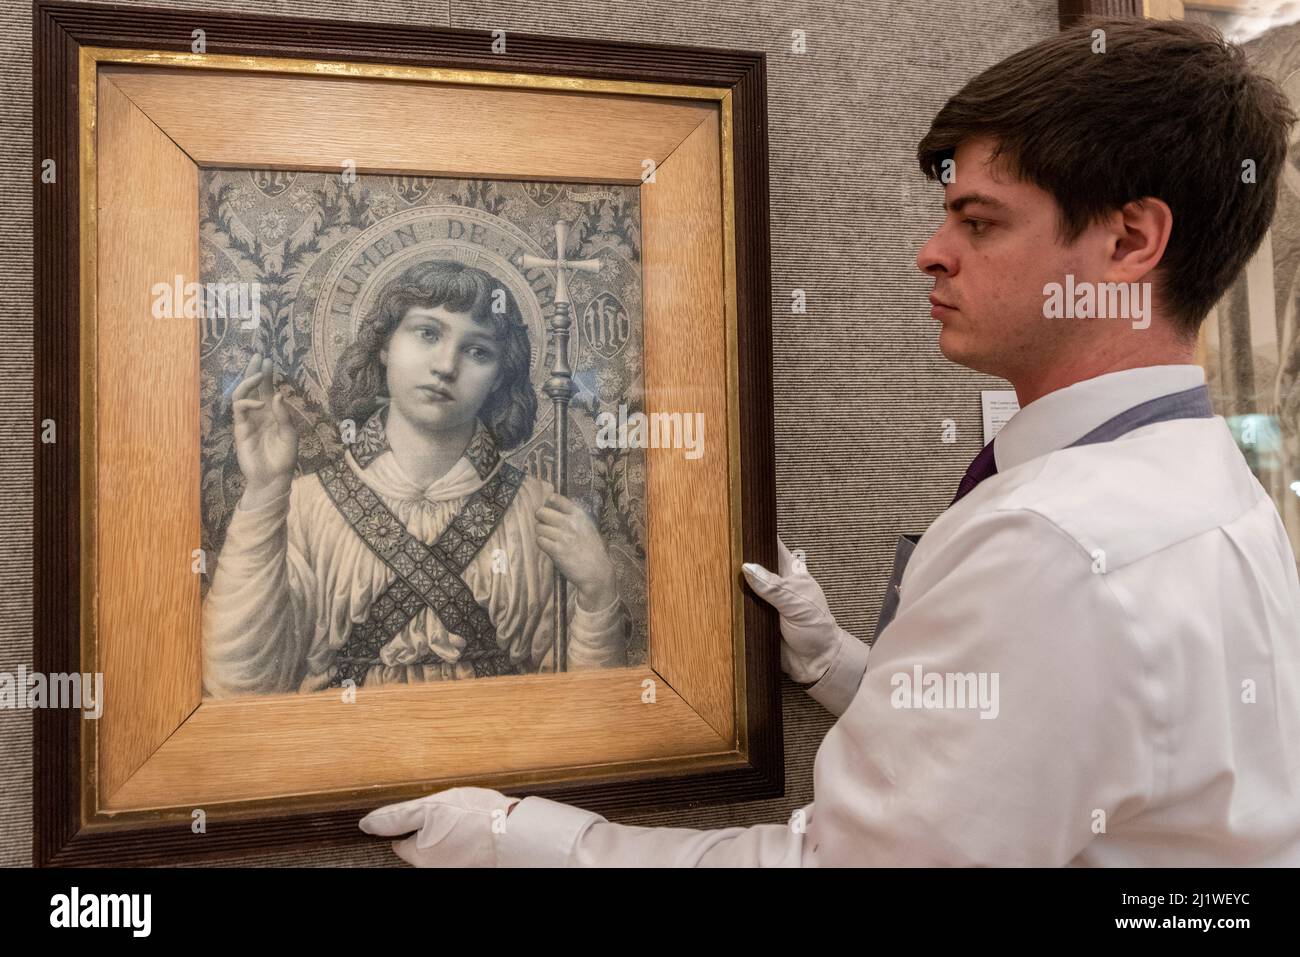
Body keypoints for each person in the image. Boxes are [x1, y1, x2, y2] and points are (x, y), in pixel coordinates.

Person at [359, 18, 1300, 866]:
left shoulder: (1053, 541)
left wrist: (520, 840)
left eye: (978, 220)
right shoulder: (1208, 485)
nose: (932, 251)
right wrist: (840, 663)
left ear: (1131, 241)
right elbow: (1053, 754)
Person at [202, 260, 628, 695]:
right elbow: (240, 685)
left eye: (477, 351)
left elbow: (584, 708)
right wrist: (265, 490)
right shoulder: (305, 507)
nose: (446, 366)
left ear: (499, 376)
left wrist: (597, 594)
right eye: (428, 333)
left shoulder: (541, 514)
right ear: (385, 344)